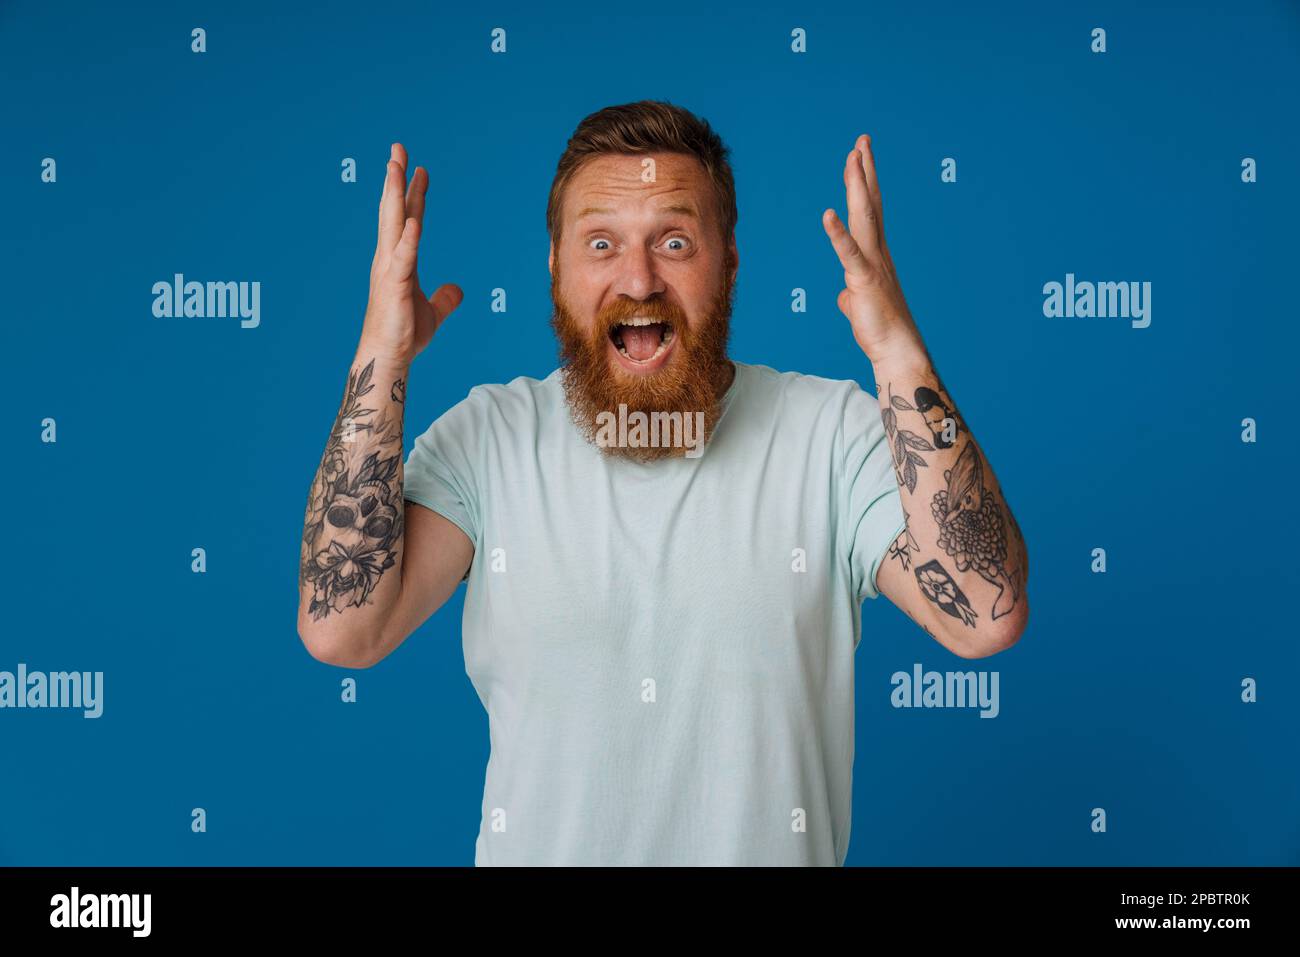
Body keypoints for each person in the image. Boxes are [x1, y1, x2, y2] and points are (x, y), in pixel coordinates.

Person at [297, 101, 1030, 866]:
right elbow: (344, 629)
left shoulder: (831, 436)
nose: (638, 278)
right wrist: (384, 348)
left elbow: (984, 615)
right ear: (554, 266)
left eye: (675, 242)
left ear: (731, 262)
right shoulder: (490, 439)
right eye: (602, 242)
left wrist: (897, 351)